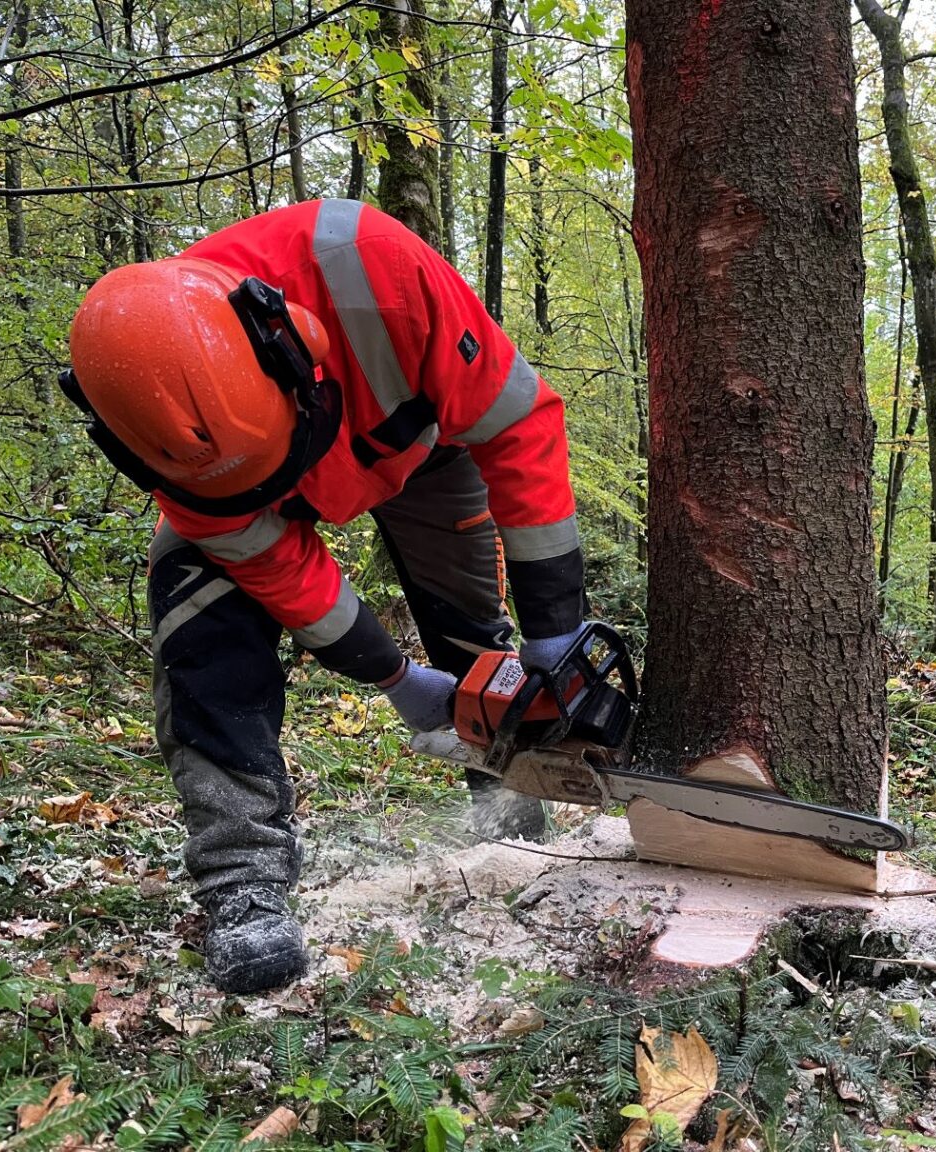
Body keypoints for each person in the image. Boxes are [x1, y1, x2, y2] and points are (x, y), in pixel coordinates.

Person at [60, 199, 587, 994]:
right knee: (202, 622)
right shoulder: (168, 444)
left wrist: (557, 630)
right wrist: (395, 681)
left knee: (472, 629)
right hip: (253, 506)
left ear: (287, 342)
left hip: (421, 448)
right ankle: (244, 884)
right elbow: (291, 580)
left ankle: (511, 811)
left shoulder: (377, 272)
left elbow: (517, 428)